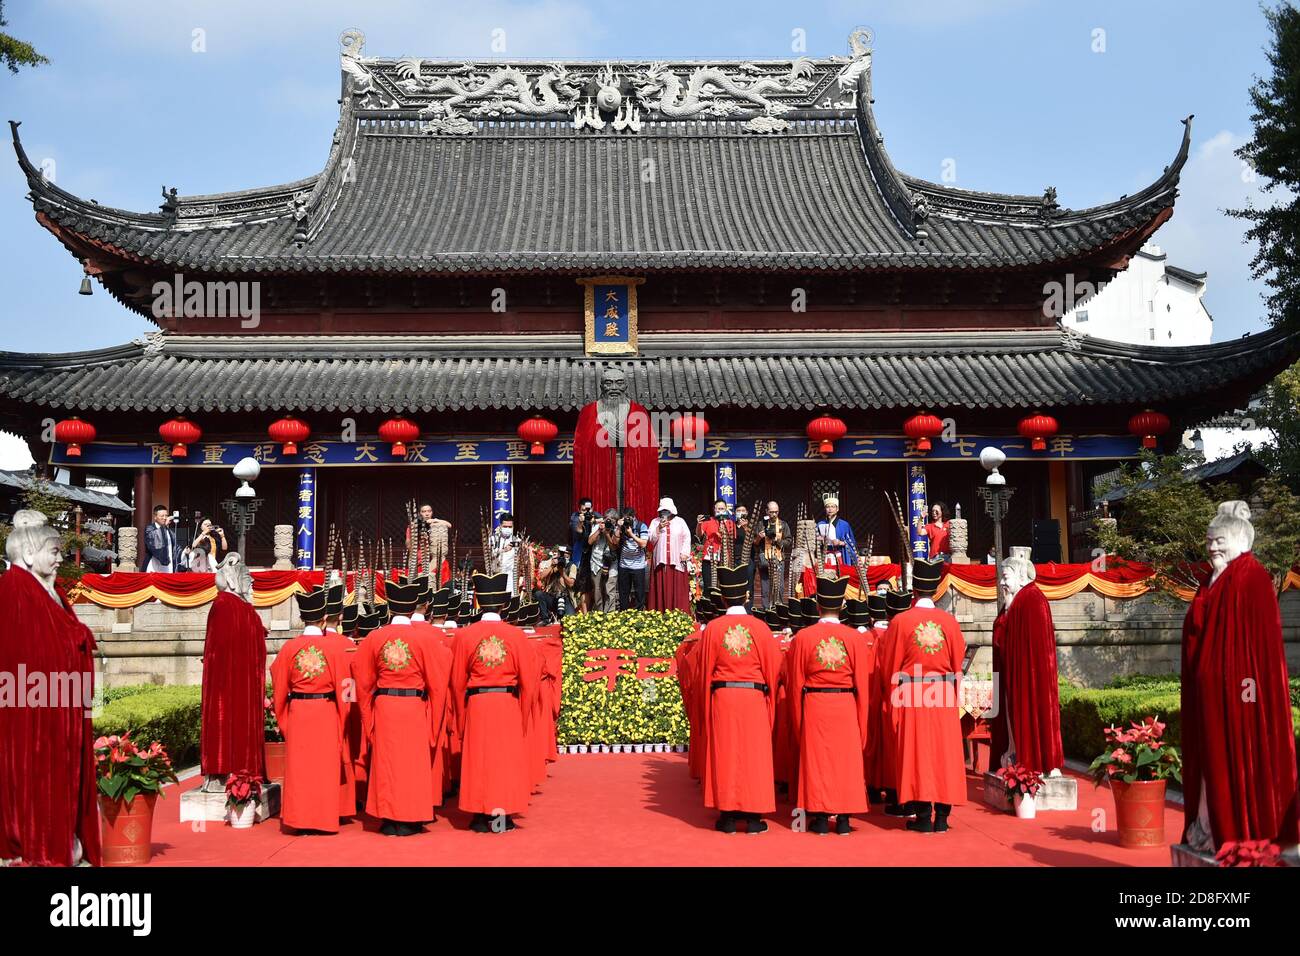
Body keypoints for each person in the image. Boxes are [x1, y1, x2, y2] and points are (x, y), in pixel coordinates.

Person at [1181, 501, 1298, 852]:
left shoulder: (1252, 577)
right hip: (1209, 697)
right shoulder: (1212, 580)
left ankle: (1236, 832)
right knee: (1208, 764)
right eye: (1209, 540)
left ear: (1239, 540)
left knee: (1233, 762)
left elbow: (1257, 651)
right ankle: (1208, 826)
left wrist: (1244, 694)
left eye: (1219, 540)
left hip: (1240, 697)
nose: (1212, 547)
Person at [0, 512, 101, 867]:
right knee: (38, 780)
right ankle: (36, 844)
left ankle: (64, 839)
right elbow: (28, 655)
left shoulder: (51, 591)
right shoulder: (14, 590)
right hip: (34, 711)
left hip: (62, 704)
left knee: (65, 780)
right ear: (28, 554)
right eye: (54, 551)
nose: (60, 558)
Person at [351, 574, 450, 836]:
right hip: (413, 707)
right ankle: (409, 817)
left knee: (386, 763)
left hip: (385, 705)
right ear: (413, 606)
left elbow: (362, 680)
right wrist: (434, 721)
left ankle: (387, 817)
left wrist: (368, 716)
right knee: (412, 764)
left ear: (390, 606)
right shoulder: (425, 640)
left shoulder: (374, 638)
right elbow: (438, 684)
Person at [695, 563, 782, 833]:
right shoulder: (760, 628)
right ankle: (754, 818)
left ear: (722, 597)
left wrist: (704, 706)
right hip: (754, 697)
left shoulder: (712, 629)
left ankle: (729, 816)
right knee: (754, 755)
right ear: (746, 596)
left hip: (723, 697)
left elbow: (703, 673)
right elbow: (773, 670)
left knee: (727, 754)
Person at [882, 558, 967, 834]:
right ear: (936, 589)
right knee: (944, 753)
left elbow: (890, 665)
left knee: (917, 752)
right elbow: (958, 662)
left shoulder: (901, 621)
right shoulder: (949, 622)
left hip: (912, 692)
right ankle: (942, 817)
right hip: (941, 691)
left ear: (914, 589)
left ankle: (922, 816)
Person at [450, 570, 538, 833]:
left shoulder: (465, 636)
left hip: (477, 704)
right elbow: (529, 683)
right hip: (506, 704)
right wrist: (522, 715)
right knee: (503, 761)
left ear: (477, 599)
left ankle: (479, 815)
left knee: (478, 759)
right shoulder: (516, 636)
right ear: (502, 603)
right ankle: (500, 820)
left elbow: (456, 681)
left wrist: (461, 715)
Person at [785, 574, 871, 835]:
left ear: (818, 604)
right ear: (842, 607)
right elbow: (862, 686)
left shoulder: (803, 638)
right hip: (845, 703)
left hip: (815, 704)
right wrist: (861, 723)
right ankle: (844, 820)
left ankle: (821, 818)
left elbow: (795, 683)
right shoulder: (855, 638)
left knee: (818, 761)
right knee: (845, 761)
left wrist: (798, 721)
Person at [270, 584, 357, 833]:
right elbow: (346, 686)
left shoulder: (288, 648)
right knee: (323, 768)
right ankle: (323, 819)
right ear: (325, 619)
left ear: (302, 618)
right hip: (326, 712)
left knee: (299, 770)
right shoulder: (335, 648)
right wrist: (343, 716)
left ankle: (299, 820)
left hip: (298, 712)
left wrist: (285, 719)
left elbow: (277, 683)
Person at [989, 554, 1064, 775]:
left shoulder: (1031, 599)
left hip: (1028, 677)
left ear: (1021, 577)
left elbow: (1031, 647)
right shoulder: (1017, 600)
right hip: (1014, 674)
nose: (1002, 583)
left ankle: (1038, 762)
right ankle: (1016, 755)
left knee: (1034, 714)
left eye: (1006, 577)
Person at [199, 554, 268, 789]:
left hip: (224, 683)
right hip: (242, 683)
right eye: (247, 580)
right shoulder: (243, 611)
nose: (251, 586)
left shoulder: (223, 606)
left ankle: (219, 771)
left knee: (224, 719)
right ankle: (242, 772)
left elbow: (214, 652)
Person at [647, 497, 693, 613]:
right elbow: (651, 539)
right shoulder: (655, 522)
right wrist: (659, 528)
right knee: (661, 587)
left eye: (667, 510)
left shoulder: (680, 521)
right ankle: (661, 613)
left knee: (677, 589)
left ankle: (678, 614)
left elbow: (686, 537)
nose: (665, 513)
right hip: (661, 561)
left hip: (676, 560)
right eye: (663, 511)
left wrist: (684, 552)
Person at [755, 501, 792, 608]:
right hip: (765, 559)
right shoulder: (761, 524)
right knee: (765, 586)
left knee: (779, 586)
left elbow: (789, 541)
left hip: (778, 558)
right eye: (771, 512)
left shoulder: (783, 524)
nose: (774, 514)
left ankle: (778, 608)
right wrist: (759, 537)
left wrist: (778, 540)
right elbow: (755, 543)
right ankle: (767, 609)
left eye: (776, 512)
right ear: (766, 511)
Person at [695, 499, 735, 595]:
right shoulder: (708, 521)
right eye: (718, 509)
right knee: (709, 586)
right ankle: (708, 608)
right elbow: (699, 535)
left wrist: (724, 532)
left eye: (722, 509)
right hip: (709, 558)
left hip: (724, 559)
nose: (720, 511)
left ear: (726, 509)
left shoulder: (730, 523)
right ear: (714, 509)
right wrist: (699, 524)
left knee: (723, 587)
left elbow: (733, 539)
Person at [616, 507, 649, 610]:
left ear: (634, 517)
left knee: (639, 592)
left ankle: (639, 614)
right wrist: (617, 527)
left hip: (638, 565)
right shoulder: (621, 527)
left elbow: (643, 544)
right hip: (624, 565)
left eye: (629, 519)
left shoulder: (641, 526)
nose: (627, 521)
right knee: (623, 593)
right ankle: (624, 614)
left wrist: (631, 534)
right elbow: (614, 542)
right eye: (625, 518)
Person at [587, 508, 620, 612]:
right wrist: (599, 530)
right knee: (597, 589)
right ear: (604, 519)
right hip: (597, 562)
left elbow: (614, 547)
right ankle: (600, 613)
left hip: (611, 563)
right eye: (607, 520)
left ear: (615, 521)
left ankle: (610, 614)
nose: (609, 522)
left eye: (612, 520)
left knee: (610, 589)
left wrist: (607, 534)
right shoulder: (598, 526)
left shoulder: (617, 529)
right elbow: (590, 542)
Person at [816, 496, 857, 570]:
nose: (830, 509)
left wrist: (841, 542)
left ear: (837, 509)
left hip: (839, 556)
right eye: (827, 507)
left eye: (833, 507)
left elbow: (852, 543)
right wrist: (819, 540)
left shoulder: (844, 525)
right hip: (824, 557)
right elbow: (814, 544)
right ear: (825, 509)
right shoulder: (820, 524)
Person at [488, 512, 520, 594]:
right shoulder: (493, 540)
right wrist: (503, 550)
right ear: (500, 526)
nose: (508, 529)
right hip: (496, 574)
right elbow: (489, 556)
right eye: (505, 526)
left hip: (511, 576)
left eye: (510, 527)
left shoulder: (517, 541)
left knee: (510, 599)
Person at [143, 504, 180, 573]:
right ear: (155, 517)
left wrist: (184, 552)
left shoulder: (170, 532)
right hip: (154, 566)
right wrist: (164, 526)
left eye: (166, 515)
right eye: (162, 516)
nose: (165, 518)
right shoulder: (150, 528)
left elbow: (175, 549)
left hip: (168, 566)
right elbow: (154, 545)